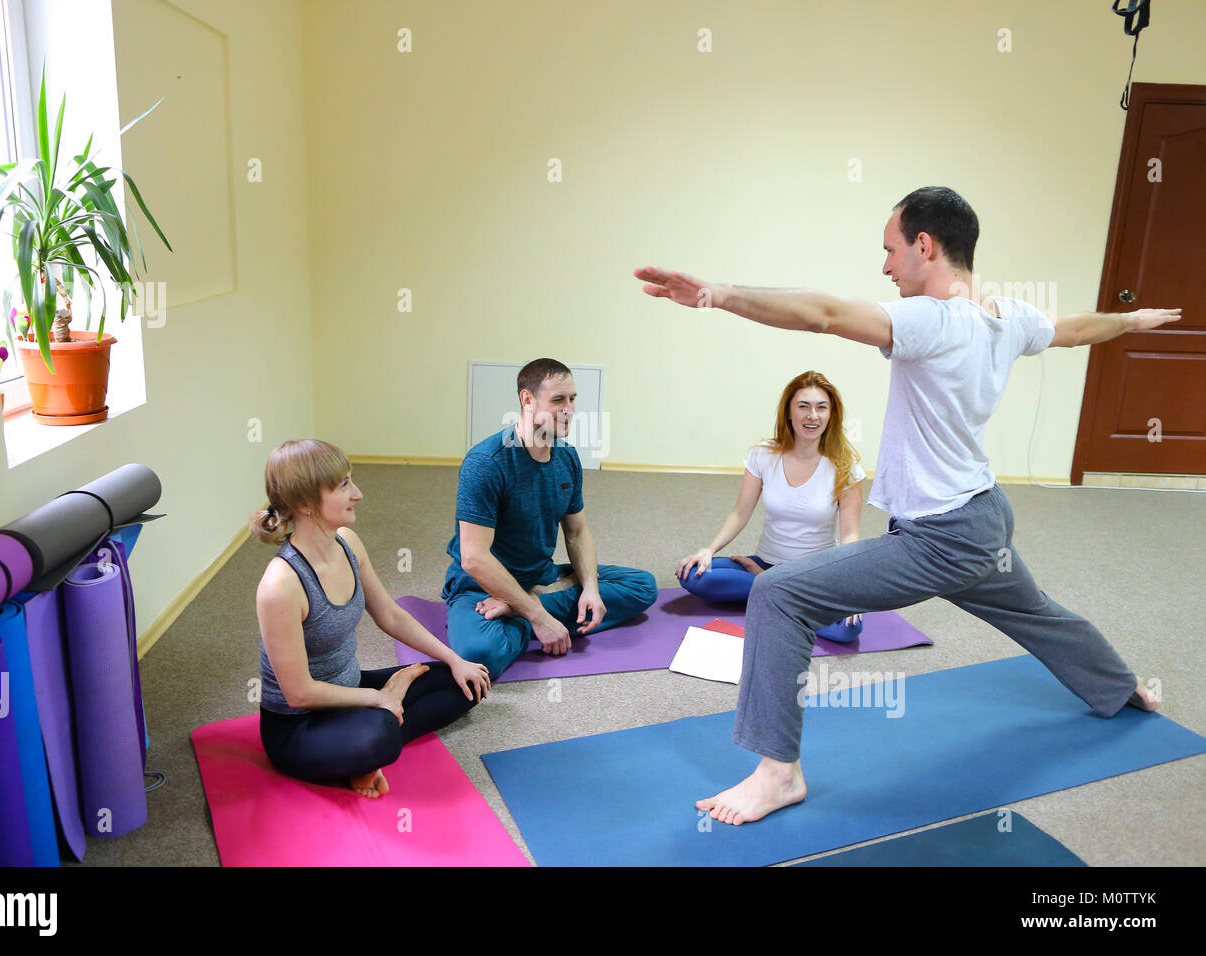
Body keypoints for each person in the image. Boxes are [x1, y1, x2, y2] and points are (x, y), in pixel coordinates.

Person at [636, 185, 1178, 826]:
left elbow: (826, 314)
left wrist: (719, 294)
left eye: (891, 250)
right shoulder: (1006, 315)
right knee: (1038, 614)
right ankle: (1121, 689)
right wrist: (1132, 322)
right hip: (985, 518)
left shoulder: (931, 318)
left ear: (926, 246)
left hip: (941, 537)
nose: (886, 267)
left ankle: (777, 774)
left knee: (779, 594)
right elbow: (1074, 329)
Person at [252, 439, 490, 799]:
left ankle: (378, 721)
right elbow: (298, 694)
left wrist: (455, 660)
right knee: (378, 739)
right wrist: (377, 698)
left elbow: (391, 615)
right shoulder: (280, 585)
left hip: (349, 686)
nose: (358, 493)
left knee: (466, 683)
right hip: (298, 726)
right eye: (343, 485)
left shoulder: (348, 541)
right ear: (304, 504)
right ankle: (375, 730)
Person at [443, 358, 658, 679]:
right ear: (527, 400)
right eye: (558, 400)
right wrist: (541, 619)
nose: (569, 409)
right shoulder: (486, 462)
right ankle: (530, 610)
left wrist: (590, 588)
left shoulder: (567, 457)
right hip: (481, 588)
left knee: (643, 586)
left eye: (572, 399)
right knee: (479, 653)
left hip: (543, 580)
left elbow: (577, 531)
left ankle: (518, 609)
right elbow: (474, 559)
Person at [676, 370, 867, 643]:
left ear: (831, 415)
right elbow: (740, 513)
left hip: (815, 573)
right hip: (765, 563)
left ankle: (769, 586)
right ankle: (782, 591)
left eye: (821, 408)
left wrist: (850, 587)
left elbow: (850, 535)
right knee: (692, 576)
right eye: (803, 406)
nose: (812, 415)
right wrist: (708, 550)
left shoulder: (845, 466)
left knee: (848, 629)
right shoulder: (763, 454)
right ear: (789, 412)